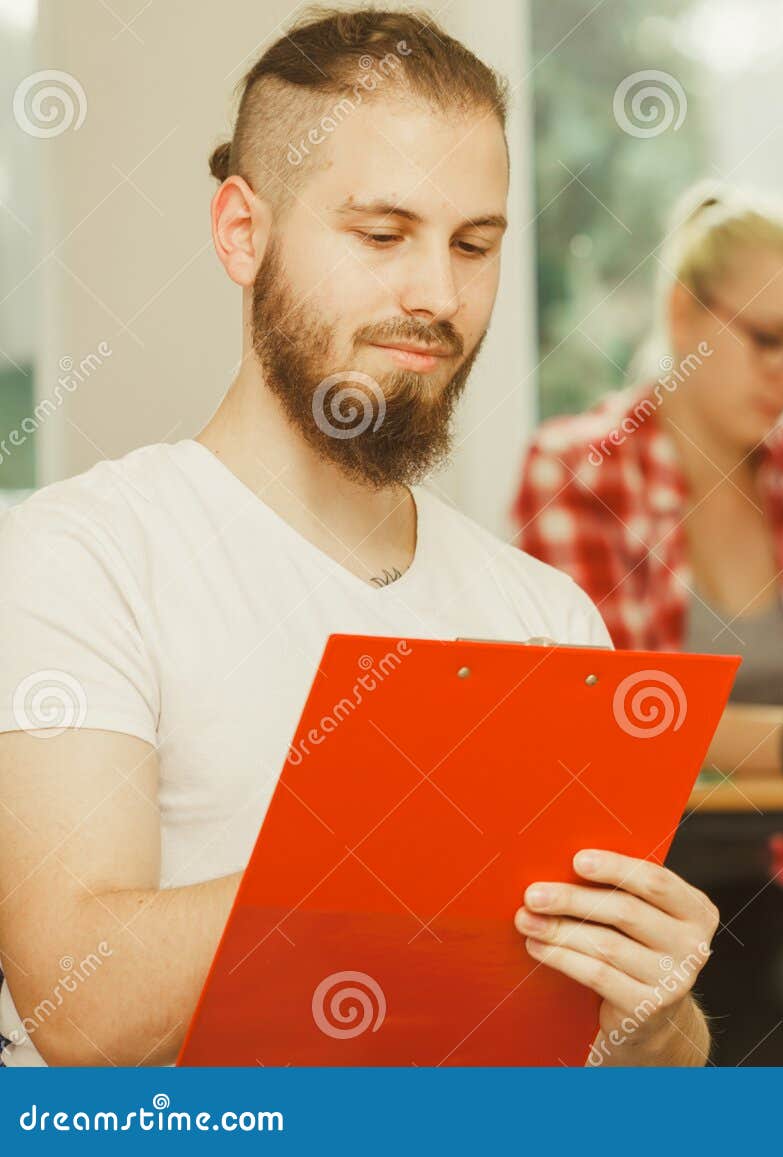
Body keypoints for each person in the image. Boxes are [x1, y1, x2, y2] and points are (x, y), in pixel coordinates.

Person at [0, 10, 716, 1067]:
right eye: (381, 236)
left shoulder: (546, 616)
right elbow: (81, 1012)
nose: (436, 295)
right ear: (242, 232)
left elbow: (612, 1068)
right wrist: (399, 857)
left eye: (473, 244)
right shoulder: (80, 559)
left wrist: (653, 1009)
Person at [514, 183, 783, 1065]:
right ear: (681, 311)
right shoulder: (574, 469)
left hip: (764, 885)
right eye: (768, 339)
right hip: (614, 892)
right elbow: (588, 713)